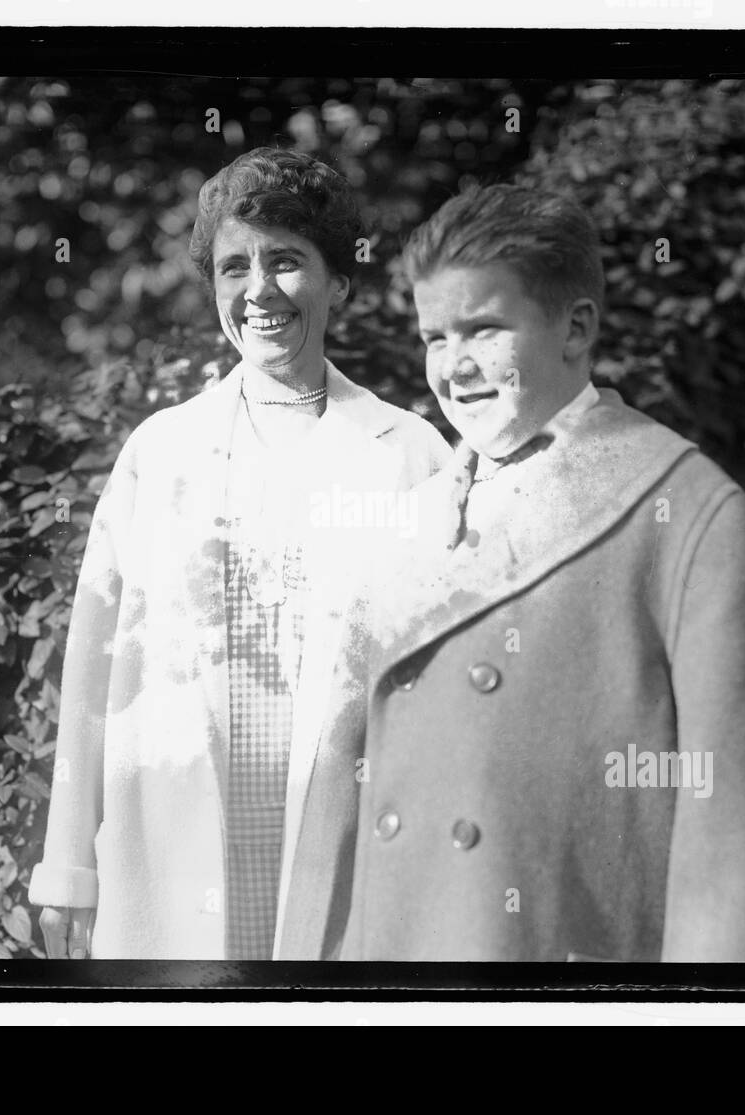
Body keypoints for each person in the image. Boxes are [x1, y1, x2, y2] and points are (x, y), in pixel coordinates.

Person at [279, 183, 745, 962]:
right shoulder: (407, 522)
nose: (453, 367)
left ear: (576, 328)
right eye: (435, 337)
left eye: (483, 330)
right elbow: (338, 787)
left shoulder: (693, 516)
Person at [28, 148, 450, 960]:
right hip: (170, 864)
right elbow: (91, 665)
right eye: (233, 267)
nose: (257, 289)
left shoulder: (409, 455)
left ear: (339, 283)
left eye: (285, 261)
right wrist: (67, 863)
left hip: (351, 868)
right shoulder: (161, 453)